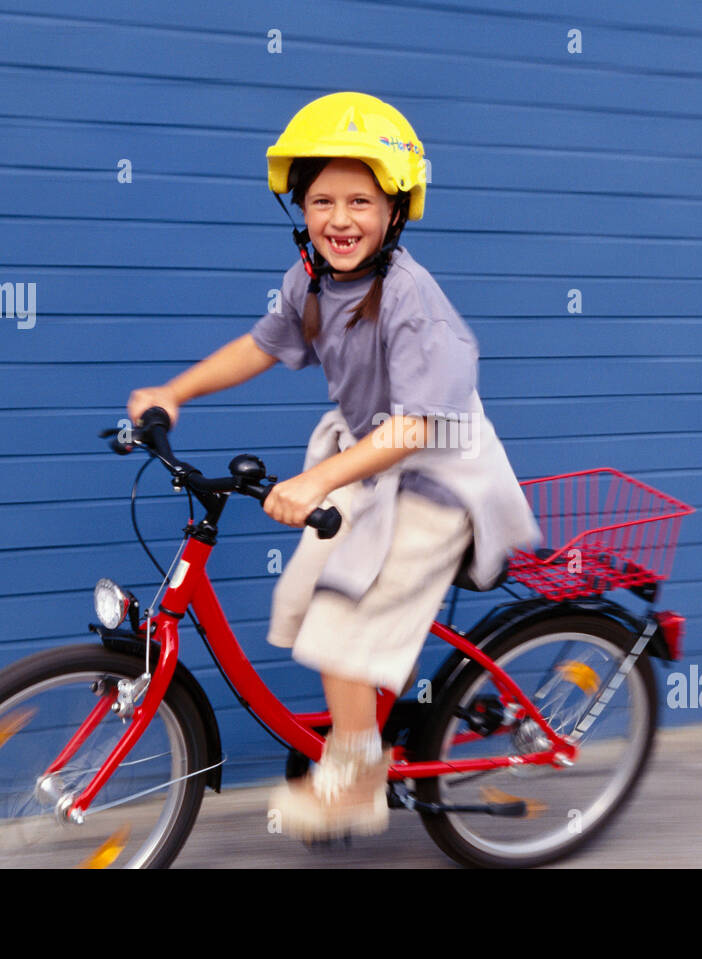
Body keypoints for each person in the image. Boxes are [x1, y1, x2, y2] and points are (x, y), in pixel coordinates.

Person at [127, 91, 539, 842]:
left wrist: (320, 478)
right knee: (312, 591)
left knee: (342, 617)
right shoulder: (312, 280)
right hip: (366, 462)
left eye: (360, 200)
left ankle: (355, 777)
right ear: (301, 207)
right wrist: (174, 391)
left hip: (438, 477)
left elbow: (418, 425)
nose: (340, 218)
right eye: (322, 200)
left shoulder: (412, 298)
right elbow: (261, 345)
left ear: (394, 211)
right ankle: (358, 726)